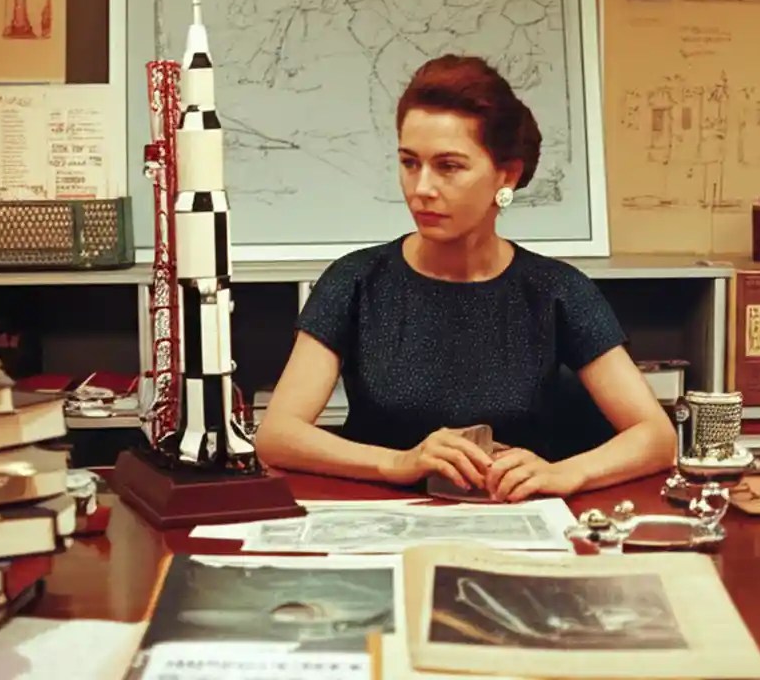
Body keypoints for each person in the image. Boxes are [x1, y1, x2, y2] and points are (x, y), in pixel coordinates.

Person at [253, 55, 675, 502]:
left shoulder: (556, 291)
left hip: (513, 524)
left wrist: (567, 473)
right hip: (380, 523)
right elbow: (277, 435)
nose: (421, 188)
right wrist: (397, 462)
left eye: (449, 166)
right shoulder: (356, 281)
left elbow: (656, 437)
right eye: (410, 163)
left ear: (505, 175)